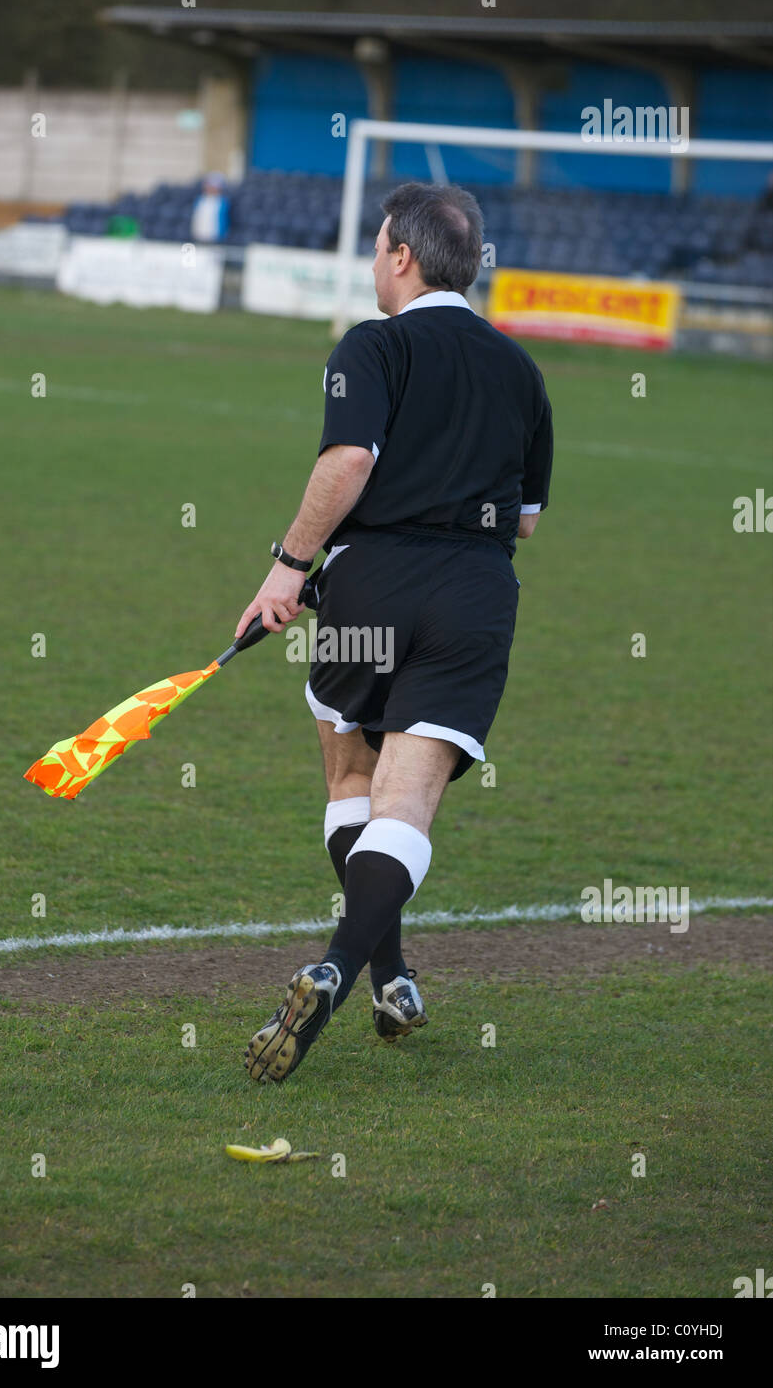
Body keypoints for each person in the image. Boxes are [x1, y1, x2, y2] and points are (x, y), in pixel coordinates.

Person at [234, 181, 553, 1083]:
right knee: (405, 805)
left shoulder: (373, 344)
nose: (374, 261)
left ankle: (367, 969)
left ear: (402, 256)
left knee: (350, 772)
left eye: (378, 247)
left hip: (367, 590)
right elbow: (524, 519)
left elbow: (349, 457)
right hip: (474, 597)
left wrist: (289, 567)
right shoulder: (520, 370)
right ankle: (367, 972)